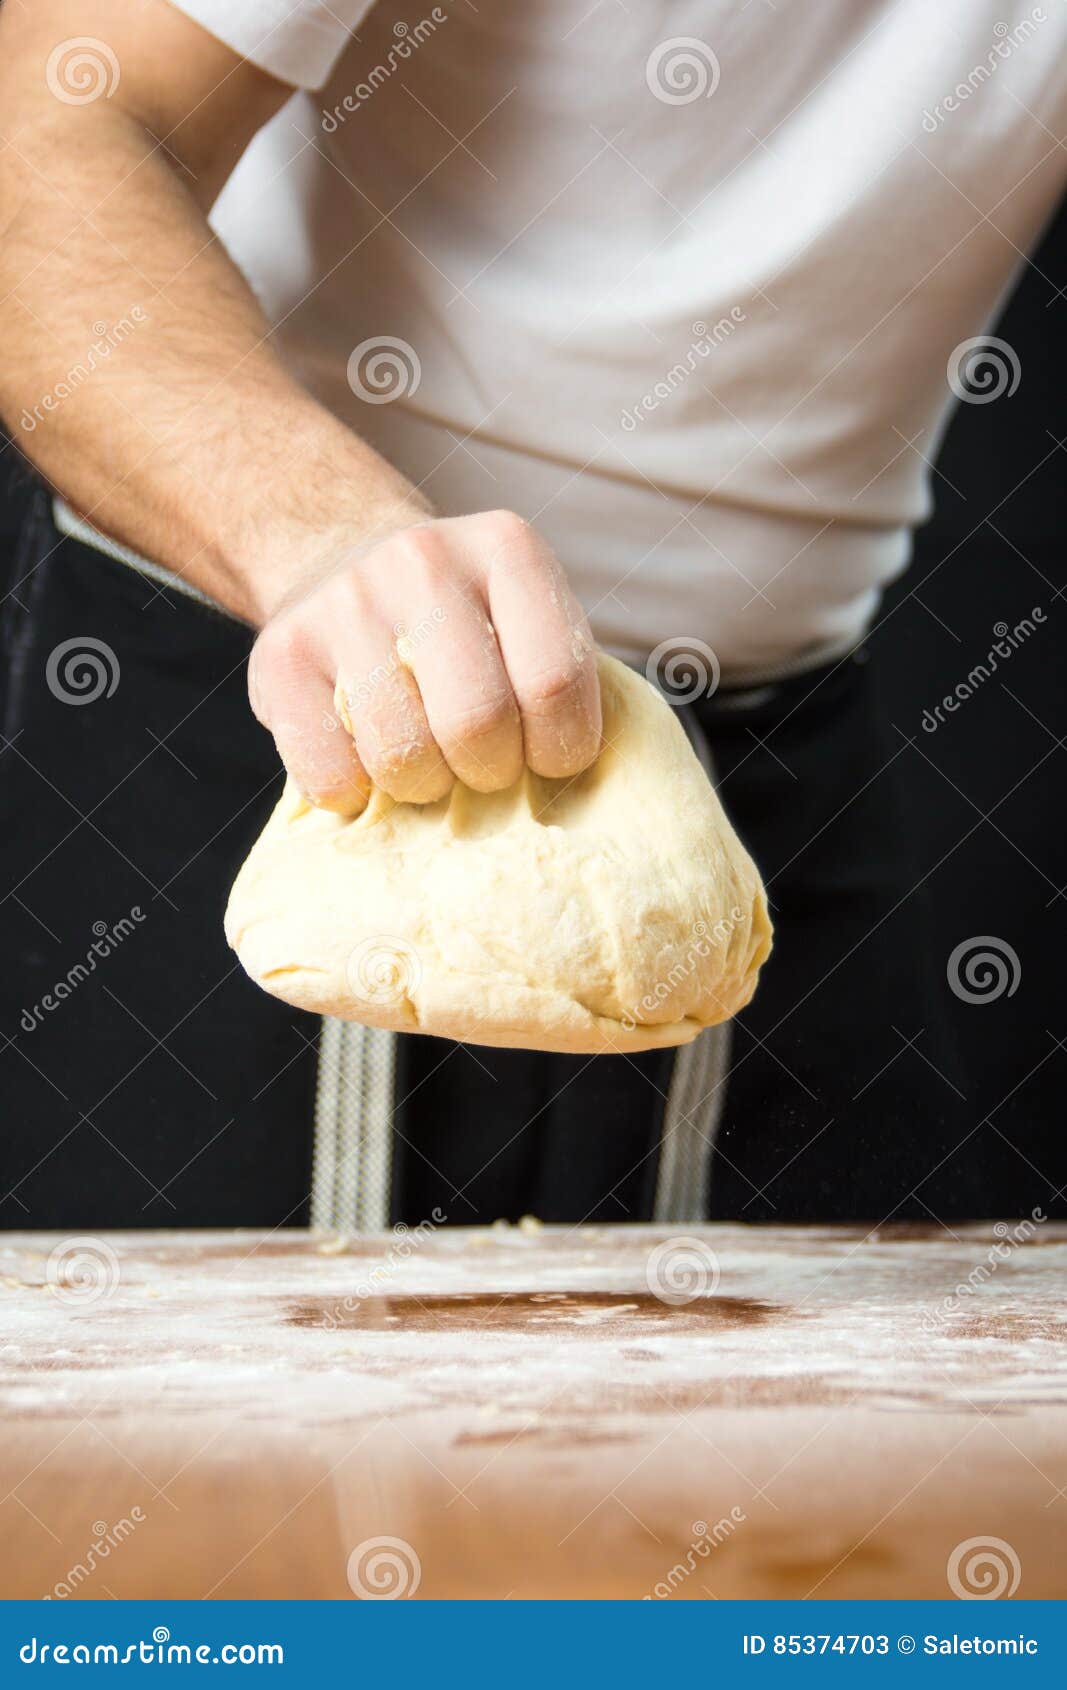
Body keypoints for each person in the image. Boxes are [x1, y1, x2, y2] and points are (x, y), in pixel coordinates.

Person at [1, 0, 1063, 1232]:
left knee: (847, 1406)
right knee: (186, 1417)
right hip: (303, 744)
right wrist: (321, 531)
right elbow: (49, 125)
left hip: (764, 806)